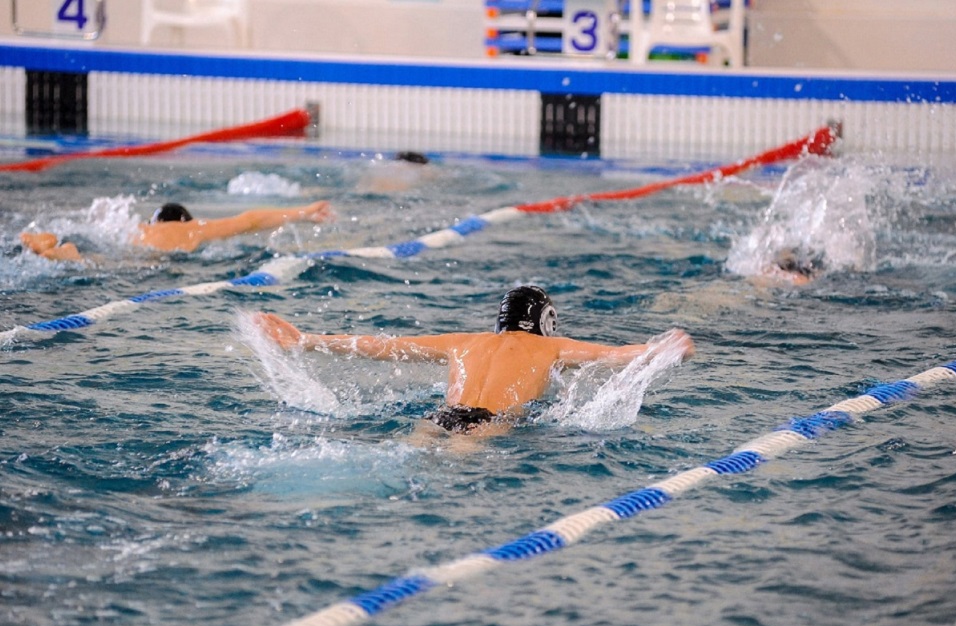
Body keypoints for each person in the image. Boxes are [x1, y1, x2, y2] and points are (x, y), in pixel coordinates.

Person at [255, 285, 695, 434]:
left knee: (412, 458)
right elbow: (617, 357)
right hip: (489, 424)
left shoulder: (464, 341)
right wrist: (663, 349)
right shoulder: (552, 348)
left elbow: (384, 345)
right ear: (546, 321)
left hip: (439, 417)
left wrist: (306, 340)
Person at [20, 200, 334, 262]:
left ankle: (54, 244)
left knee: (100, 253)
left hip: (120, 243)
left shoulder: (139, 228)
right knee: (104, 263)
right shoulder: (193, 230)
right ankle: (67, 255)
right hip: (149, 260)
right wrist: (303, 213)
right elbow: (250, 219)